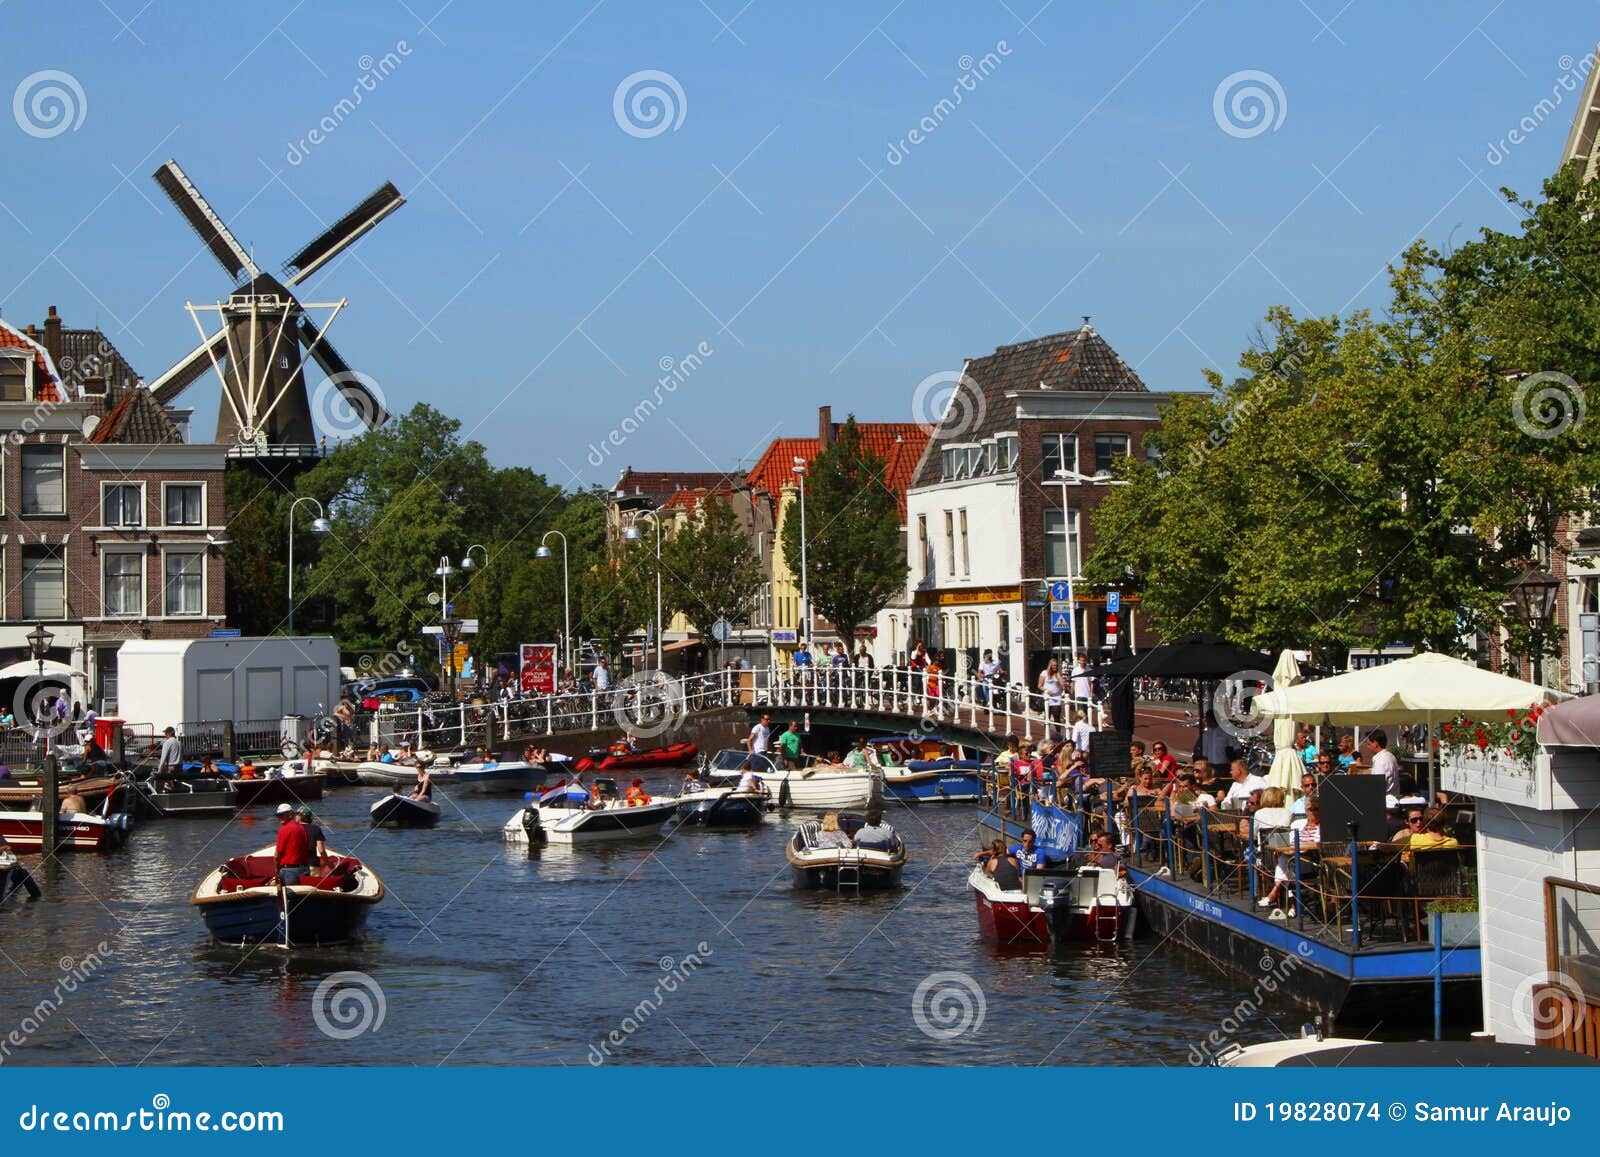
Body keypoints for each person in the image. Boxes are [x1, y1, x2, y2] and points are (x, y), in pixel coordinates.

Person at [1390, 809, 1459, 866]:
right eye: (1414, 820)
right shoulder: (1453, 842)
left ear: (1425, 823)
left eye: (1421, 819)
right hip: (1447, 880)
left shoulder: (1415, 839)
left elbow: (1388, 848)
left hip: (1420, 880)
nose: (1419, 822)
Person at [274, 803, 312, 885]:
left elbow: (277, 855)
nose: (279, 817)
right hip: (304, 868)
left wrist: (276, 869)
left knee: (289, 896)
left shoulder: (284, 829)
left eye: (281, 815)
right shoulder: (301, 828)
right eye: (278, 815)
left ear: (290, 814)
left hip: (289, 871)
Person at [1362, 728, 1400, 793]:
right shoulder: (1390, 756)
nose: (1367, 747)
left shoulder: (1379, 760)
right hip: (1394, 797)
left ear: (1375, 744)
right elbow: (1379, 772)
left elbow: (1377, 784)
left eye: (1369, 744)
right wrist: (1360, 772)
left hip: (1384, 800)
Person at [297, 805, 328, 870]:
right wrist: (328, 863)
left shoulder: (293, 829)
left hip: (296, 864)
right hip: (312, 864)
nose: (296, 816)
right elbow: (321, 851)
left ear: (302, 817)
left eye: (297, 814)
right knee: (313, 880)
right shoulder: (316, 829)